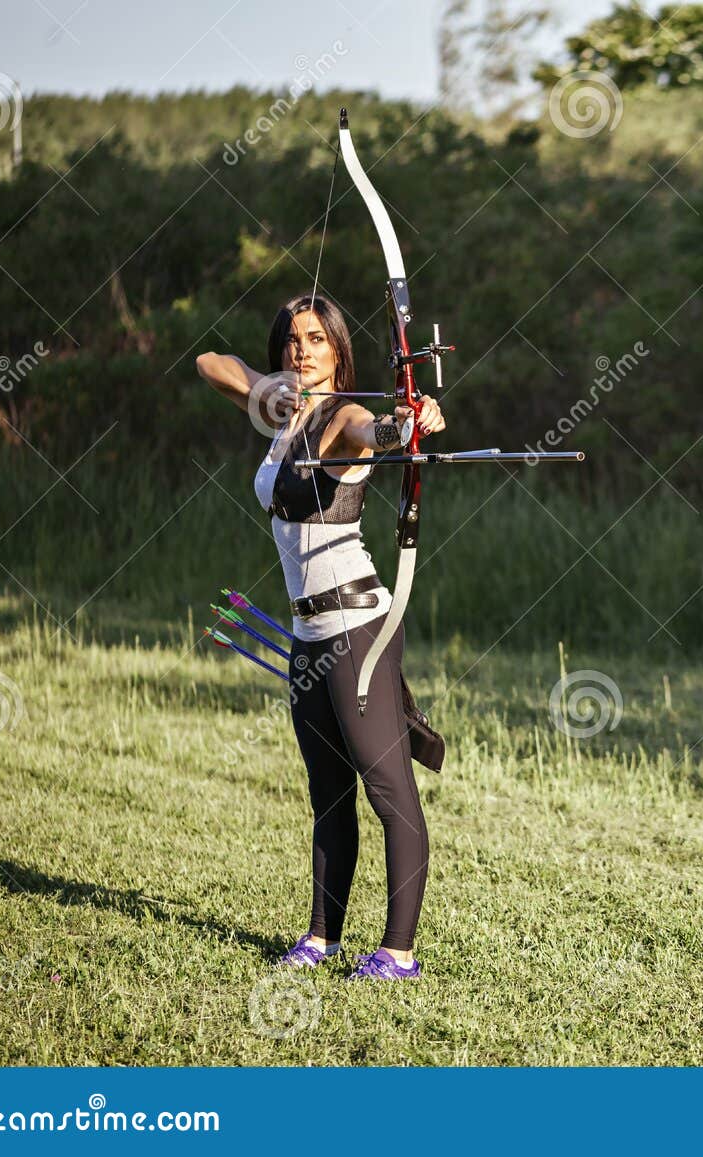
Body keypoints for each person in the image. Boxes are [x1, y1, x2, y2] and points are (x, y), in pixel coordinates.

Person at [196, 293, 445, 981]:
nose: (301, 350)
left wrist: (411, 424)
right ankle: (322, 935)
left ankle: (398, 951)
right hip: (308, 632)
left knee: (389, 789)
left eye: (315, 339)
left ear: (339, 350)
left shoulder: (342, 418)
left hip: (357, 626)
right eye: (291, 341)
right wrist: (268, 389)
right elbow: (210, 362)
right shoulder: (283, 412)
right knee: (327, 792)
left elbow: (380, 432)